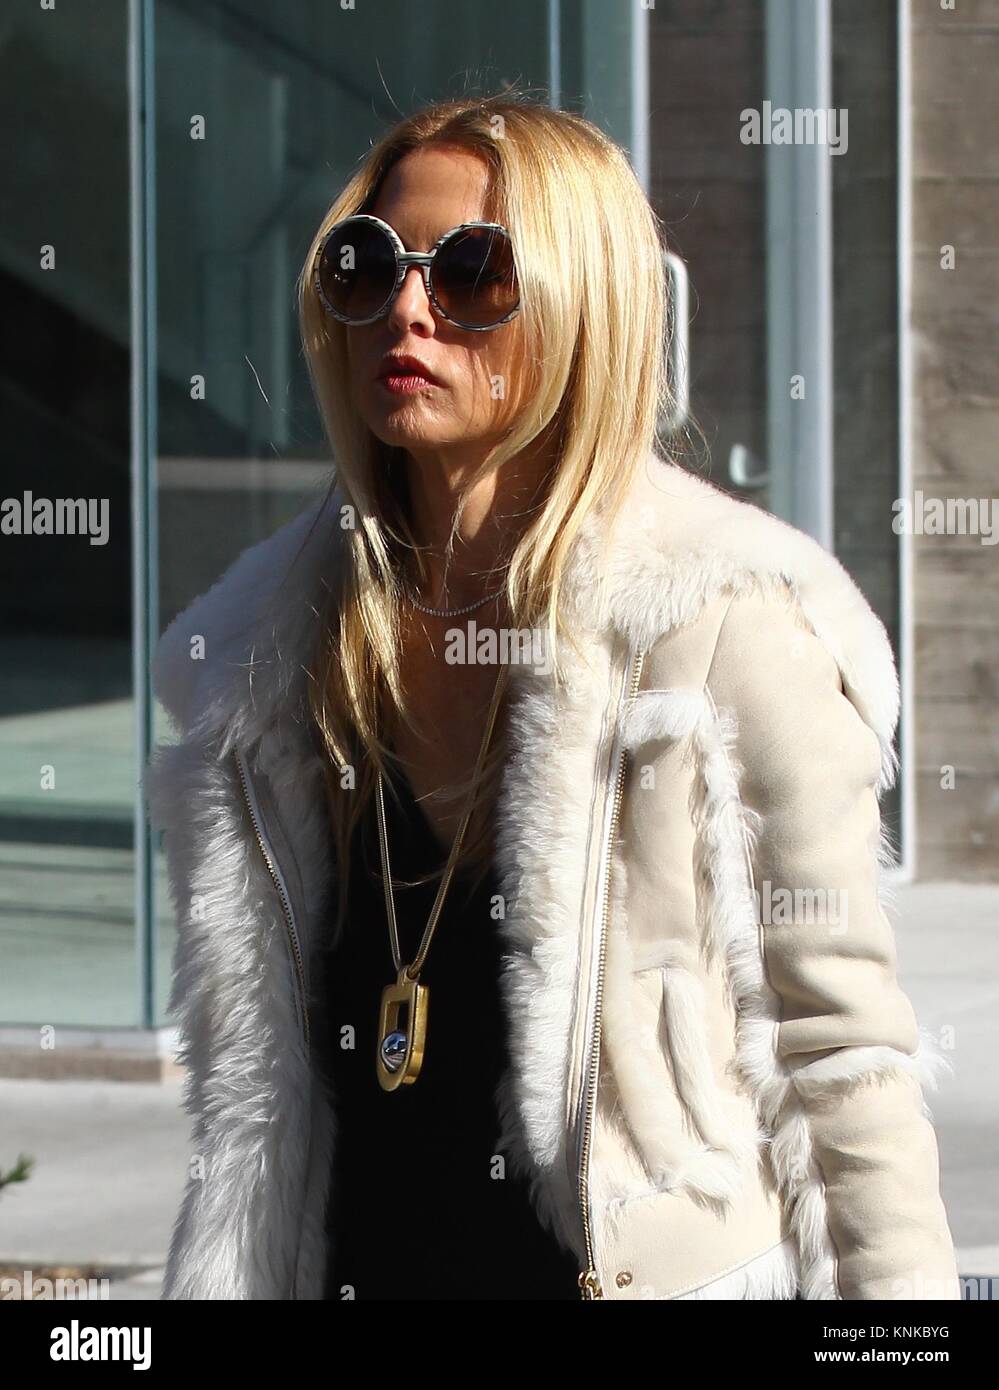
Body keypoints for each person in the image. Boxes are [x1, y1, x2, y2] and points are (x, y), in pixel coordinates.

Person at [145, 94, 961, 1300]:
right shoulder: (266, 661)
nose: (408, 308)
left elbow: (840, 1054)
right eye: (369, 265)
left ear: (584, 305)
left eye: (473, 272)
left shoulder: (724, 623)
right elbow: (253, 1111)